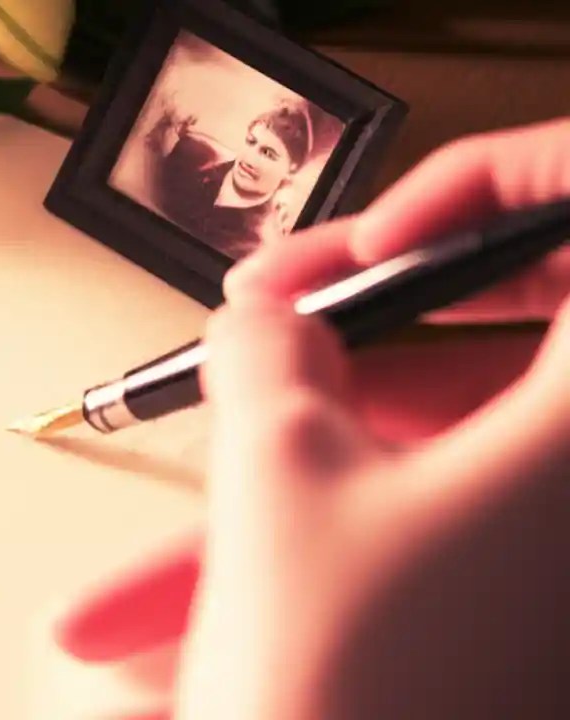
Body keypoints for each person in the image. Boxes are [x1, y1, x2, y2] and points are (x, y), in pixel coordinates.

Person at [54, 116, 570, 719]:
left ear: (290, 171)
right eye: (251, 141)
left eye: (270, 151)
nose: (251, 156)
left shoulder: (259, 227)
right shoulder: (196, 169)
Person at [150, 101, 313, 258]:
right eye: (251, 142)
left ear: (292, 169)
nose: (248, 159)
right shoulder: (191, 153)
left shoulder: (254, 246)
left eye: (267, 153)